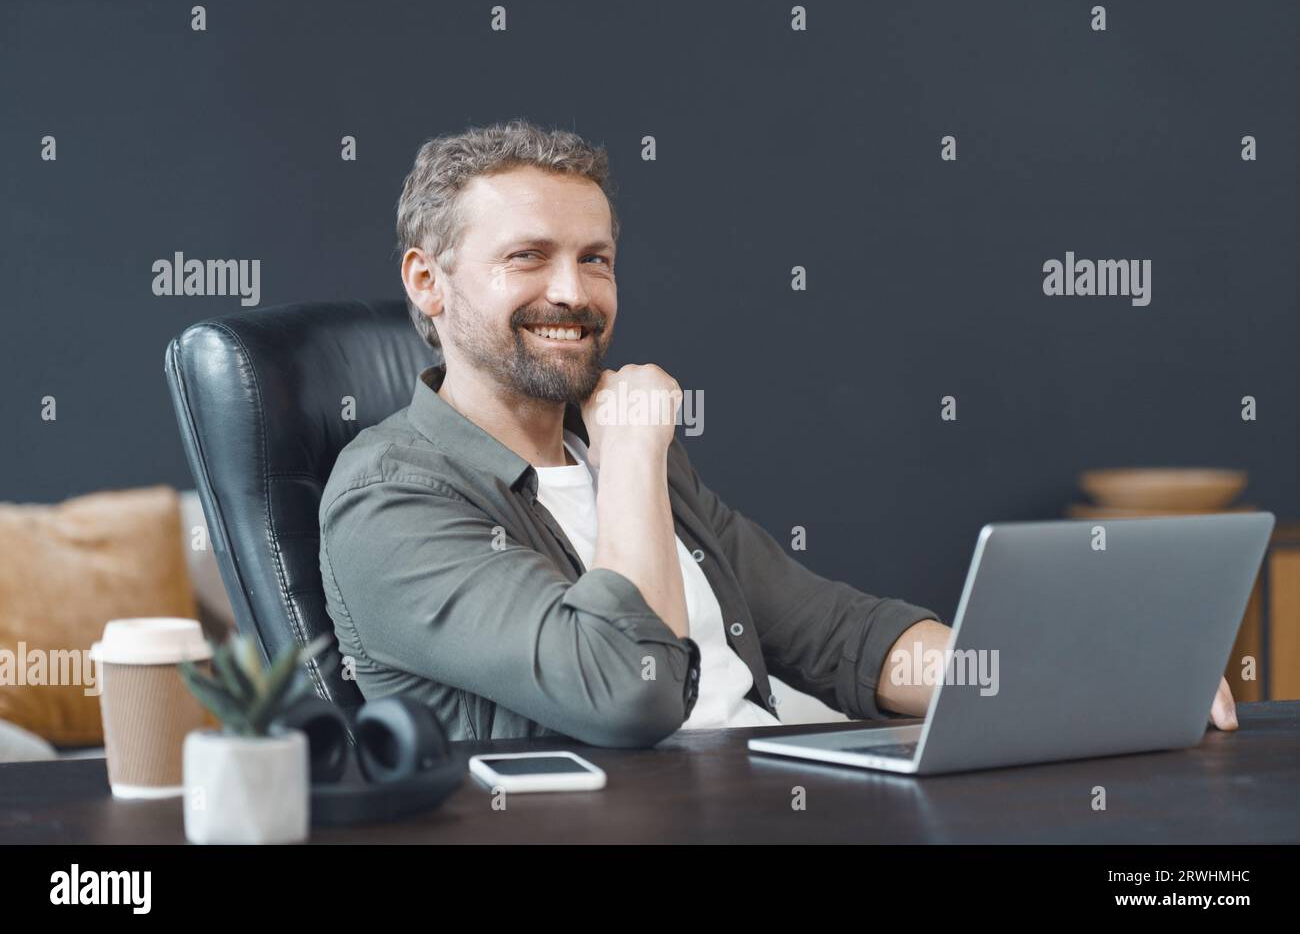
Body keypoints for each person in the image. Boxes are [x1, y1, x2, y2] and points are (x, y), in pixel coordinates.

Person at [318, 119, 1238, 747]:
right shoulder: (391, 496)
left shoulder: (620, 445)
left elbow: (838, 636)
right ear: (428, 283)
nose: (572, 292)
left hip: (771, 788)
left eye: (594, 260)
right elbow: (631, 687)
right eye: (528, 257)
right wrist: (635, 453)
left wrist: (1079, 686)